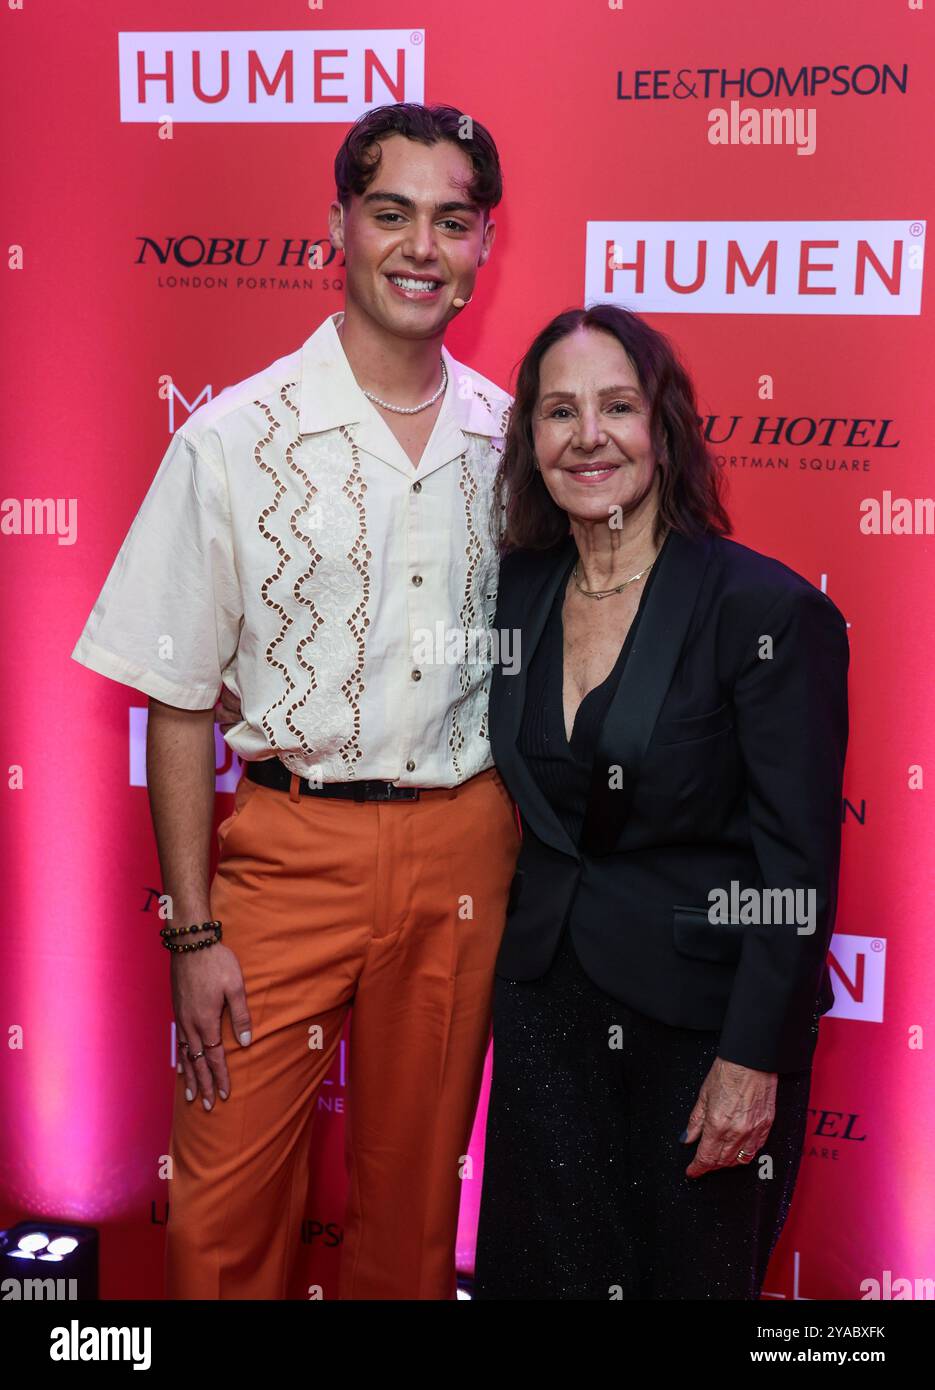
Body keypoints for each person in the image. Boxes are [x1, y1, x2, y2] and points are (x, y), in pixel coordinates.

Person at [70, 103, 522, 1300]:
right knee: (218, 1210)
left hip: (468, 844)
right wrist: (192, 929)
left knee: (418, 1201)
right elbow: (175, 703)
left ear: (483, 245)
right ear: (337, 226)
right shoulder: (233, 438)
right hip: (286, 850)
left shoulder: (511, 440)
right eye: (391, 214)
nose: (420, 246)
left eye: (451, 220)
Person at [472, 305, 850, 1300]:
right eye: (558, 411)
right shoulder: (513, 592)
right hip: (543, 1010)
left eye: (615, 406)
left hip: (699, 1028)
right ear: (530, 440)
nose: (586, 435)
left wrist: (751, 1058)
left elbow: (794, 869)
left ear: (662, 426)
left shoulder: (763, 612)